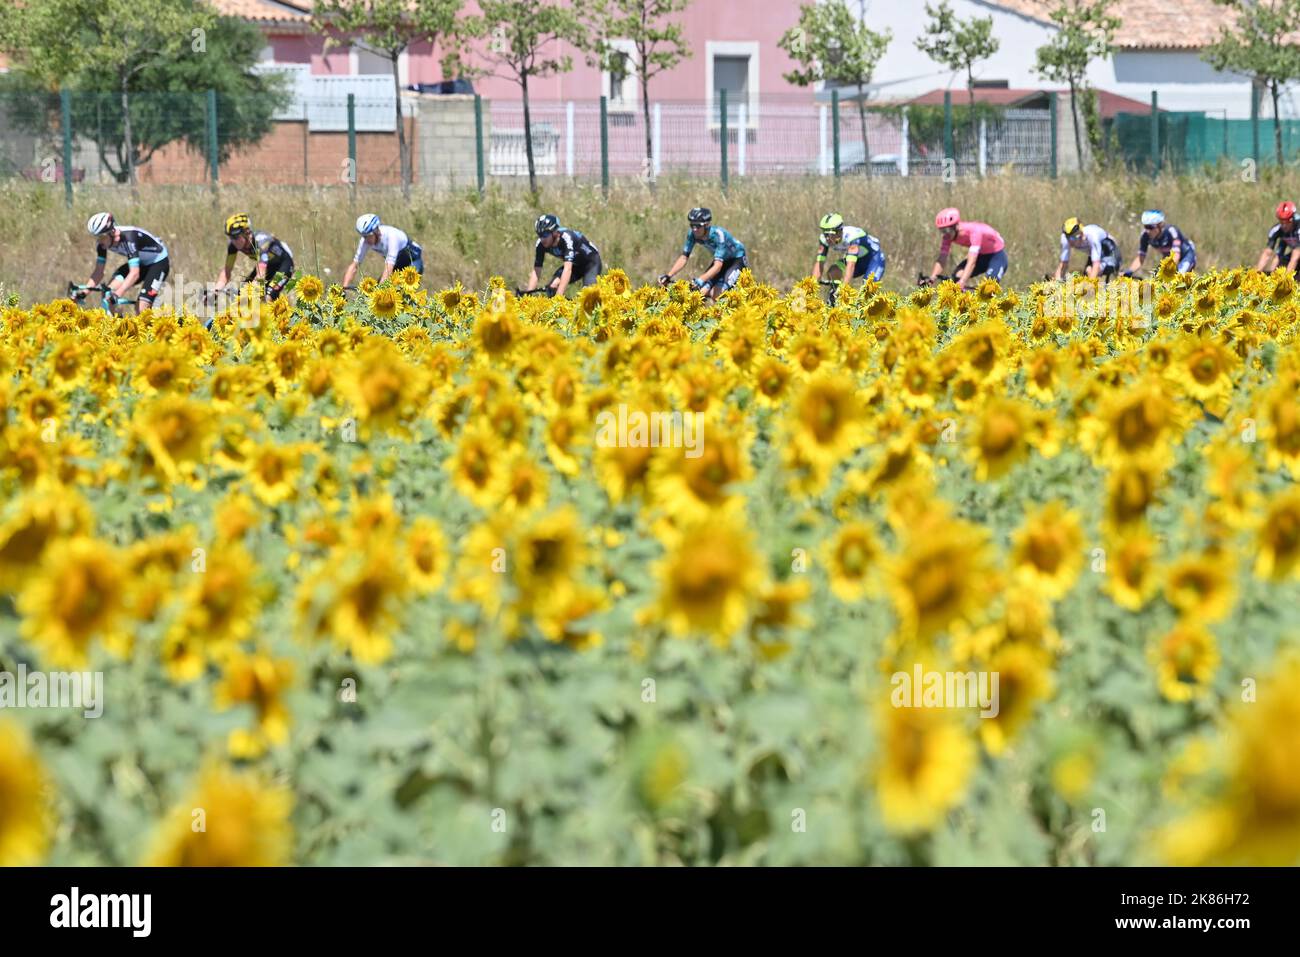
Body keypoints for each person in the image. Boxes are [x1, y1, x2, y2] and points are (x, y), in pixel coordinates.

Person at [83, 211, 170, 314]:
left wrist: (118, 294)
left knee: (141, 309)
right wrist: (83, 293)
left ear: (112, 232)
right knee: (108, 293)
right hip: (141, 263)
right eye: (96, 237)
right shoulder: (102, 245)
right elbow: (98, 272)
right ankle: (118, 324)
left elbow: (134, 274)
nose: (99, 241)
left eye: (101, 237)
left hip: (158, 263)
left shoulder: (129, 238)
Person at [658, 207, 749, 300]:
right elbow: (684, 257)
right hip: (721, 260)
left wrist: (700, 280)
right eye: (692, 225)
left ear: (706, 225)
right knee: (700, 292)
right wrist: (669, 275)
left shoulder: (718, 235)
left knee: (718, 295)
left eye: (698, 226)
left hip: (736, 260)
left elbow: (717, 266)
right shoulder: (692, 234)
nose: (694, 229)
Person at [215, 213, 295, 301]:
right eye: (230, 237)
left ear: (247, 233)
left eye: (235, 237)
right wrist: (215, 291)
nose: (233, 241)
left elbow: (260, 274)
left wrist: (252, 294)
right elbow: (227, 270)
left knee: (267, 299)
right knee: (240, 296)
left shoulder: (262, 243)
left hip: (283, 265)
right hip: (269, 266)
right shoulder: (233, 245)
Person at [928, 208, 1008, 289]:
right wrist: (931, 278)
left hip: (996, 256)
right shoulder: (948, 236)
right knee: (957, 276)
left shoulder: (974, 231)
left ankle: (984, 296)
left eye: (946, 230)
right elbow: (942, 258)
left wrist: (962, 281)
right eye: (942, 231)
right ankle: (970, 296)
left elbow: (972, 261)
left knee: (989, 287)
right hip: (981, 255)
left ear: (956, 226)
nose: (945, 234)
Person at [526, 214, 602, 297]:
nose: (542, 239)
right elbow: (536, 271)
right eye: (539, 235)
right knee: (552, 287)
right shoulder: (540, 244)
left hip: (591, 263)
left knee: (588, 294)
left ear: (555, 232)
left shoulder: (567, 238)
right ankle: (566, 308)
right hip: (575, 265)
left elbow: (567, 269)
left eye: (545, 235)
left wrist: (558, 299)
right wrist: (528, 297)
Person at [342, 214, 423, 287]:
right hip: (397, 265)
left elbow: (389, 266)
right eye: (363, 236)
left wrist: (380, 290)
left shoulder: (392, 236)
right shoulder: (365, 240)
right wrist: (344, 288)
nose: (366, 240)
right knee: (377, 289)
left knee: (403, 290)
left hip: (413, 260)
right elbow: (354, 266)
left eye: (368, 236)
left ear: (376, 231)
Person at [813, 213, 886, 290]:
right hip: (856, 260)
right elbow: (819, 263)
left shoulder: (852, 237)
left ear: (839, 231)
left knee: (868, 287)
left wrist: (844, 290)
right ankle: (833, 297)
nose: (827, 238)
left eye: (830, 234)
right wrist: (812, 287)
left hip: (874, 259)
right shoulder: (824, 240)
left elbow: (851, 265)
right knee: (833, 272)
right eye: (825, 234)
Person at [1125, 210, 1195, 276]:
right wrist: (1129, 271)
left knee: (1179, 277)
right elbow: (1140, 258)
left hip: (1186, 255)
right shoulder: (1145, 235)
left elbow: (1176, 255)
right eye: (1146, 227)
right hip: (1168, 257)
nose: (1148, 231)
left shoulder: (1171, 231)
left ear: (1160, 226)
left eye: (1151, 227)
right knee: (1157, 279)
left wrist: (1167, 271)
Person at [1055, 217, 1121, 281]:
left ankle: (1124, 275)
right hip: (1095, 253)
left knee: (1093, 273)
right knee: (1087, 273)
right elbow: (1063, 263)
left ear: (1081, 234)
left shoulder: (1092, 236)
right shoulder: (1065, 239)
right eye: (1068, 237)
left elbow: (1096, 265)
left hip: (1109, 251)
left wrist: (1089, 288)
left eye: (1073, 238)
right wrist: (1056, 282)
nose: (1070, 241)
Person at [1256, 201, 1300, 275]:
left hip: (1297, 253)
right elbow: (1267, 253)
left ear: (1292, 218)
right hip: (1295, 254)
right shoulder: (1276, 229)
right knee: (1279, 261)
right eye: (1281, 222)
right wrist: (1255, 274)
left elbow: (1296, 255)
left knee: (1295, 254)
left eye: (1287, 221)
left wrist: (1286, 280)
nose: (1284, 225)